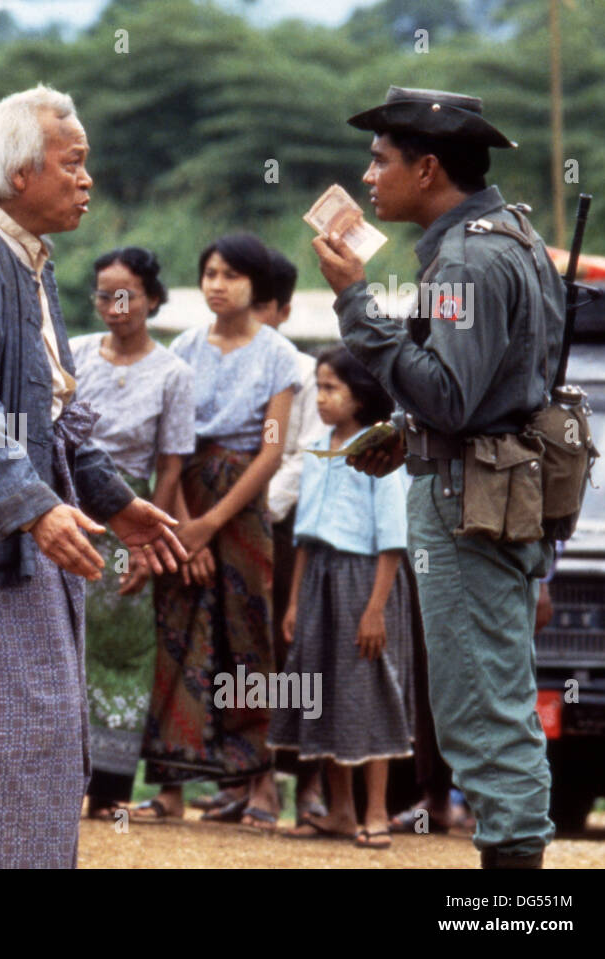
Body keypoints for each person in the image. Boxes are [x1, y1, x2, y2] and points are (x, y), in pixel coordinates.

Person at [0, 85, 186, 868]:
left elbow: (48, 412)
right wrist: (31, 508)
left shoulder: (27, 260)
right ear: (21, 172)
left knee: (37, 728)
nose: (88, 180)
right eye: (73, 164)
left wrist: (114, 501)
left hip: (22, 531)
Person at [313, 86, 564, 869]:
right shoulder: (514, 236)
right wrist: (406, 430)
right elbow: (486, 390)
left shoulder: (466, 260)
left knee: (481, 711)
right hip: (490, 490)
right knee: (488, 698)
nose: (367, 178)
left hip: (470, 502)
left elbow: (453, 396)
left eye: (380, 161)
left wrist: (357, 303)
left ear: (426, 169)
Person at [134, 232, 300, 830]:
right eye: (208, 273)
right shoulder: (180, 347)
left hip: (240, 509)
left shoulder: (279, 353)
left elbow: (271, 453)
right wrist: (181, 524)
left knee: (248, 634)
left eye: (230, 274)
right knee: (177, 628)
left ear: (254, 285)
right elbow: (169, 444)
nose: (216, 284)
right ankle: (171, 786)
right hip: (182, 495)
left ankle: (260, 785)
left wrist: (211, 523)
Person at [68, 247, 196, 819]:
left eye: (127, 296)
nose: (115, 308)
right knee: (66, 638)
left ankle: (111, 788)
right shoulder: (72, 355)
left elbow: (170, 465)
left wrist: (146, 544)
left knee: (122, 648)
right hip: (72, 506)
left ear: (151, 299)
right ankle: (59, 778)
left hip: (132, 512)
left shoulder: (172, 373)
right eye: (104, 296)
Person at [270, 346, 414, 849]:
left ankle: (376, 810)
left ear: (361, 393)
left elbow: (393, 539)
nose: (323, 397)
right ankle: (341, 811)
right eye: (320, 386)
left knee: (368, 687)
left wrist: (376, 609)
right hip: (318, 582)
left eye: (333, 388)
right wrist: (293, 604)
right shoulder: (315, 447)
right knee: (322, 689)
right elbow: (305, 537)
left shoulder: (381, 450)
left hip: (364, 582)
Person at [256, 247, 327, 823]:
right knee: (246, 652)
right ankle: (248, 781)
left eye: (260, 304)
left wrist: (258, 508)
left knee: (297, 653)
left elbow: (307, 455)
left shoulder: (305, 373)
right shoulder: (205, 357)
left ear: (281, 309)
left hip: (289, 529)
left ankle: (305, 784)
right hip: (229, 524)